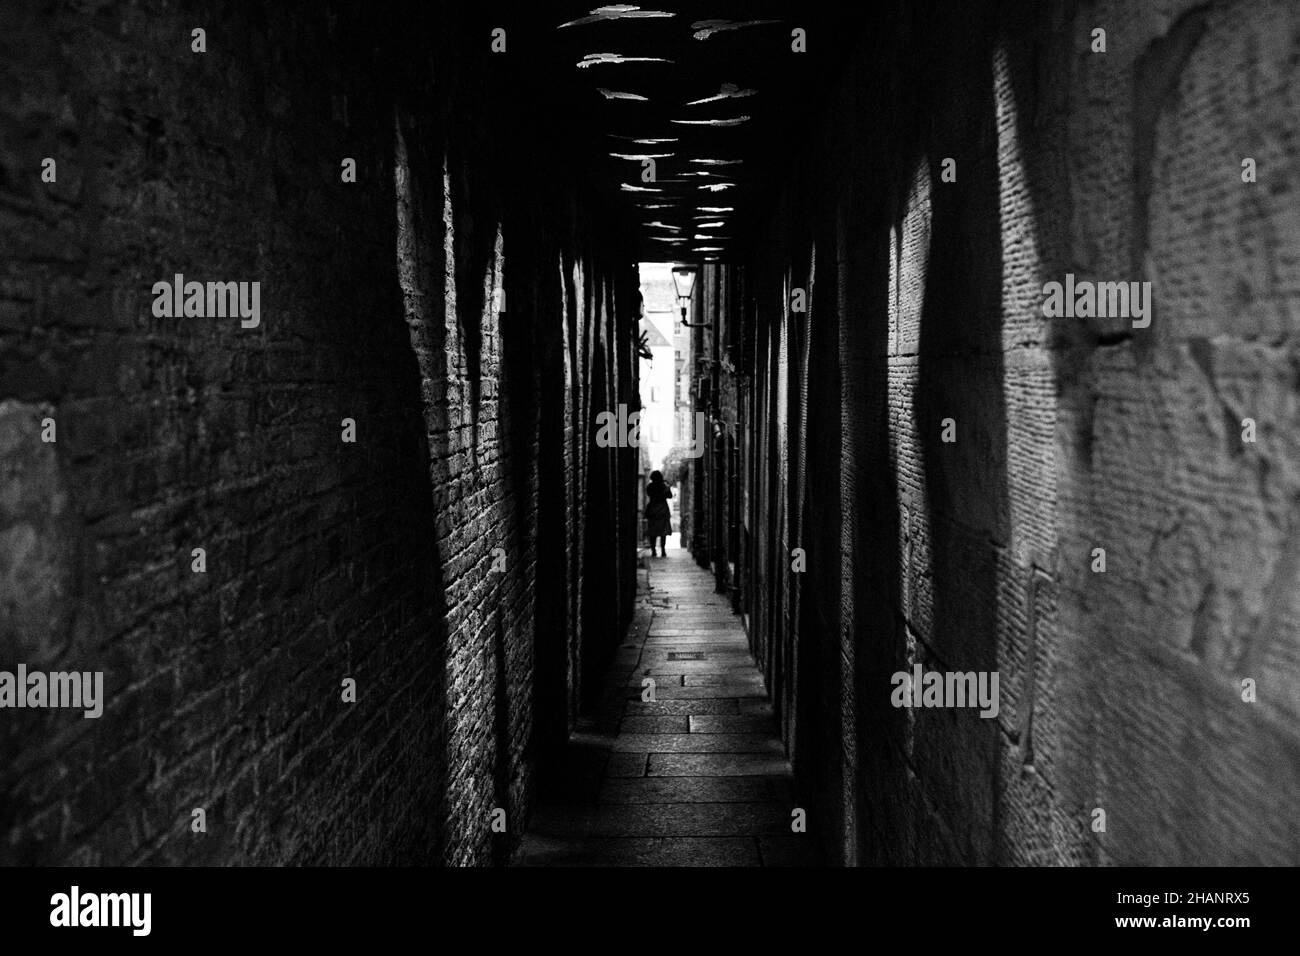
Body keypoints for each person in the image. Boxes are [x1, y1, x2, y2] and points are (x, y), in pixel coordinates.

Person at [644, 470, 673, 557]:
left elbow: (649, 494)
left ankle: (653, 550)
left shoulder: (650, 486)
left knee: (653, 531)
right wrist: (667, 487)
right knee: (663, 531)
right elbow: (670, 496)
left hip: (653, 509)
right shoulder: (664, 486)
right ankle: (663, 550)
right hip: (662, 509)